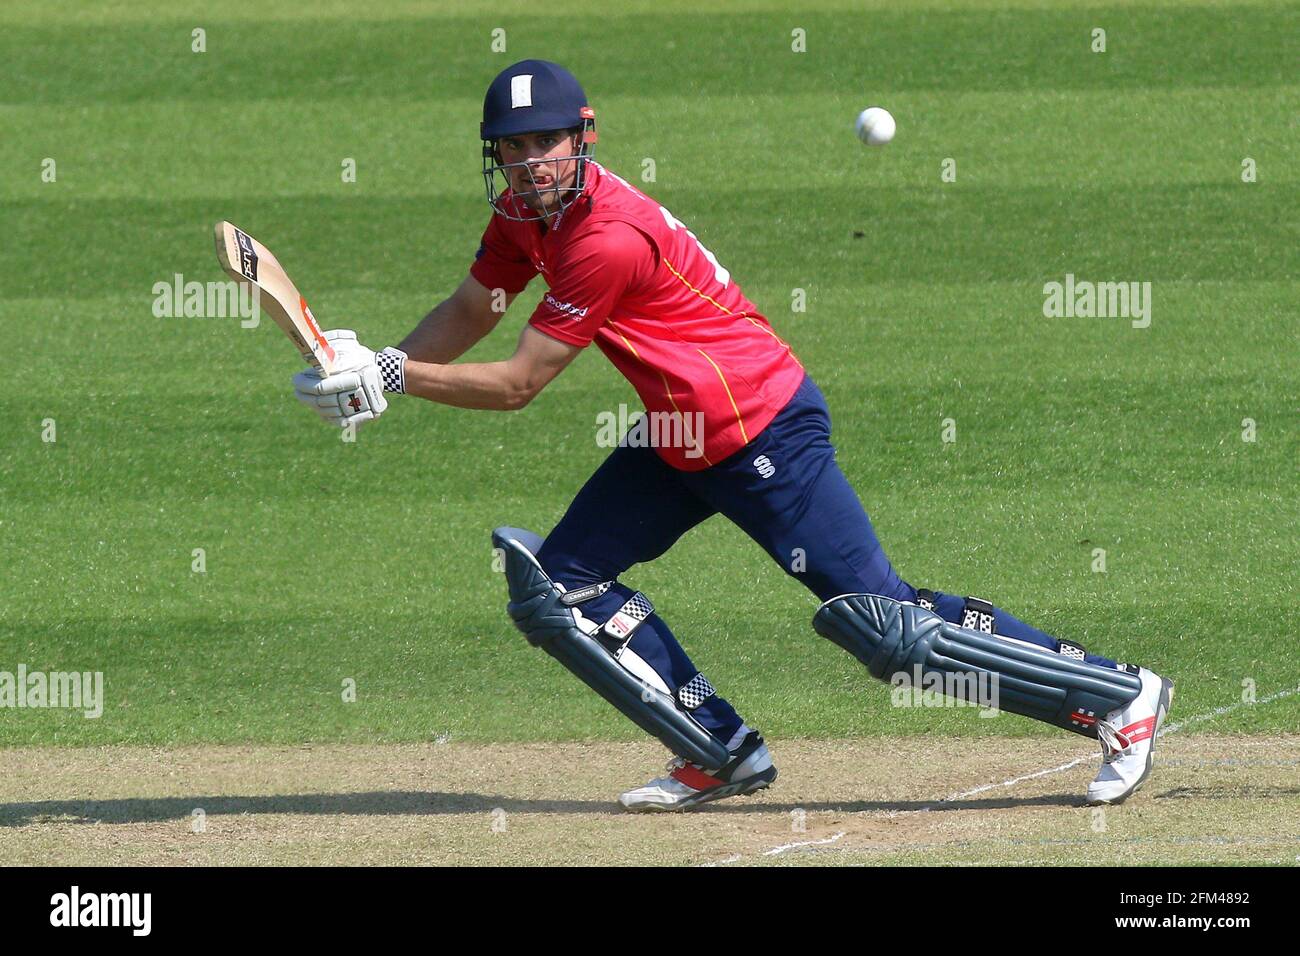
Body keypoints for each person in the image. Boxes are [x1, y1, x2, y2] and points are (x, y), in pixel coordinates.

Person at [293, 60, 1174, 812]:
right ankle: (719, 751)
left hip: (763, 428)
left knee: (889, 632)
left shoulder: (605, 236)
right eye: (511, 150)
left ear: (584, 136)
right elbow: (473, 308)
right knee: (560, 588)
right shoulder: (529, 216)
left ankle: (1116, 695)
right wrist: (373, 370)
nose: (527, 166)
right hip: (681, 430)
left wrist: (395, 376)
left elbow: (521, 384)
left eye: (544, 144)